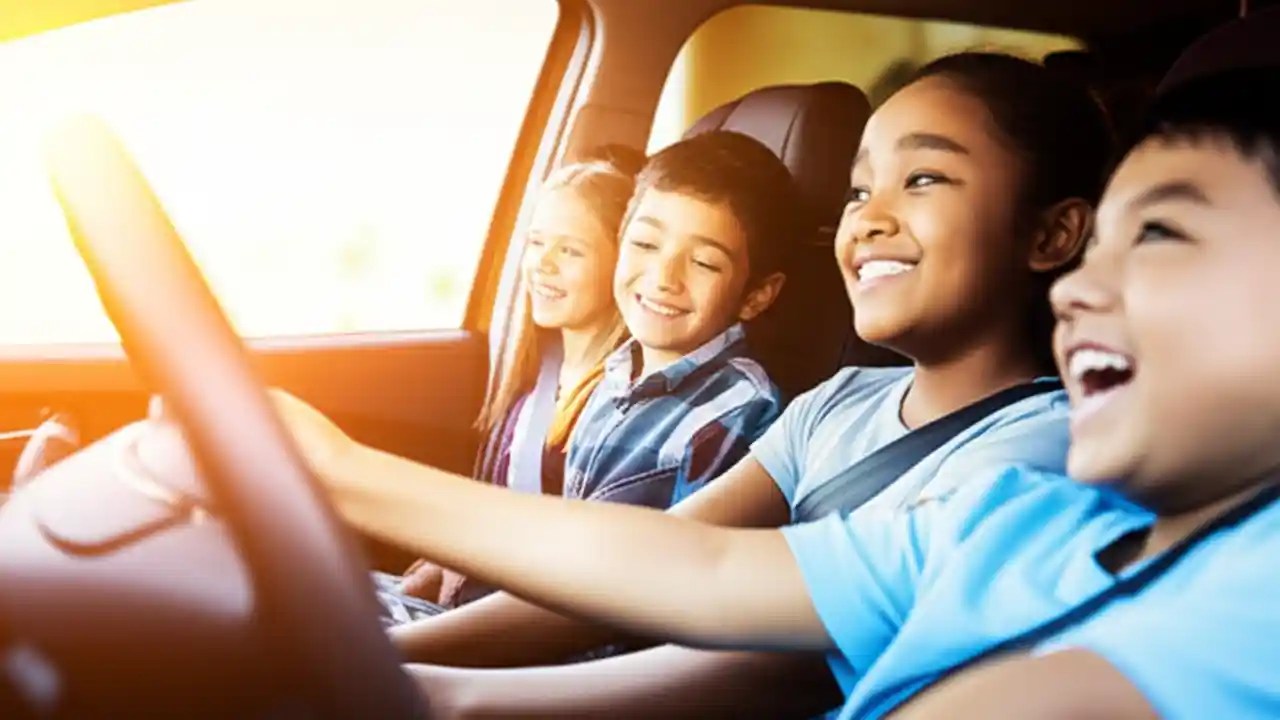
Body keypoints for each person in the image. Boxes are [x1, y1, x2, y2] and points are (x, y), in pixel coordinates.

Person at [303, 26, 1280, 719]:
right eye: (856, 189)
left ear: (1046, 235)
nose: (1086, 291)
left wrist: (422, 686)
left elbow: (774, 664)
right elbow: (684, 564)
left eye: (1160, 238)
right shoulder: (1008, 518)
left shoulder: (1047, 461)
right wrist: (349, 491)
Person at [286, 129, 798, 607]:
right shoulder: (620, 377)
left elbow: (604, 595)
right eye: (645, 244)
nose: (664, 277)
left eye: (704, 262)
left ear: (757, 295)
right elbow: (563, 550)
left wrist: (428, 639)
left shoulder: (734, 414)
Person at [394, 148, 641, 604]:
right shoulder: (536, 377)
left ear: (622, 265)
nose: (543, 264)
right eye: (536, 243)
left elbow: (582, 573)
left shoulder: (620, 405)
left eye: (570, 250)